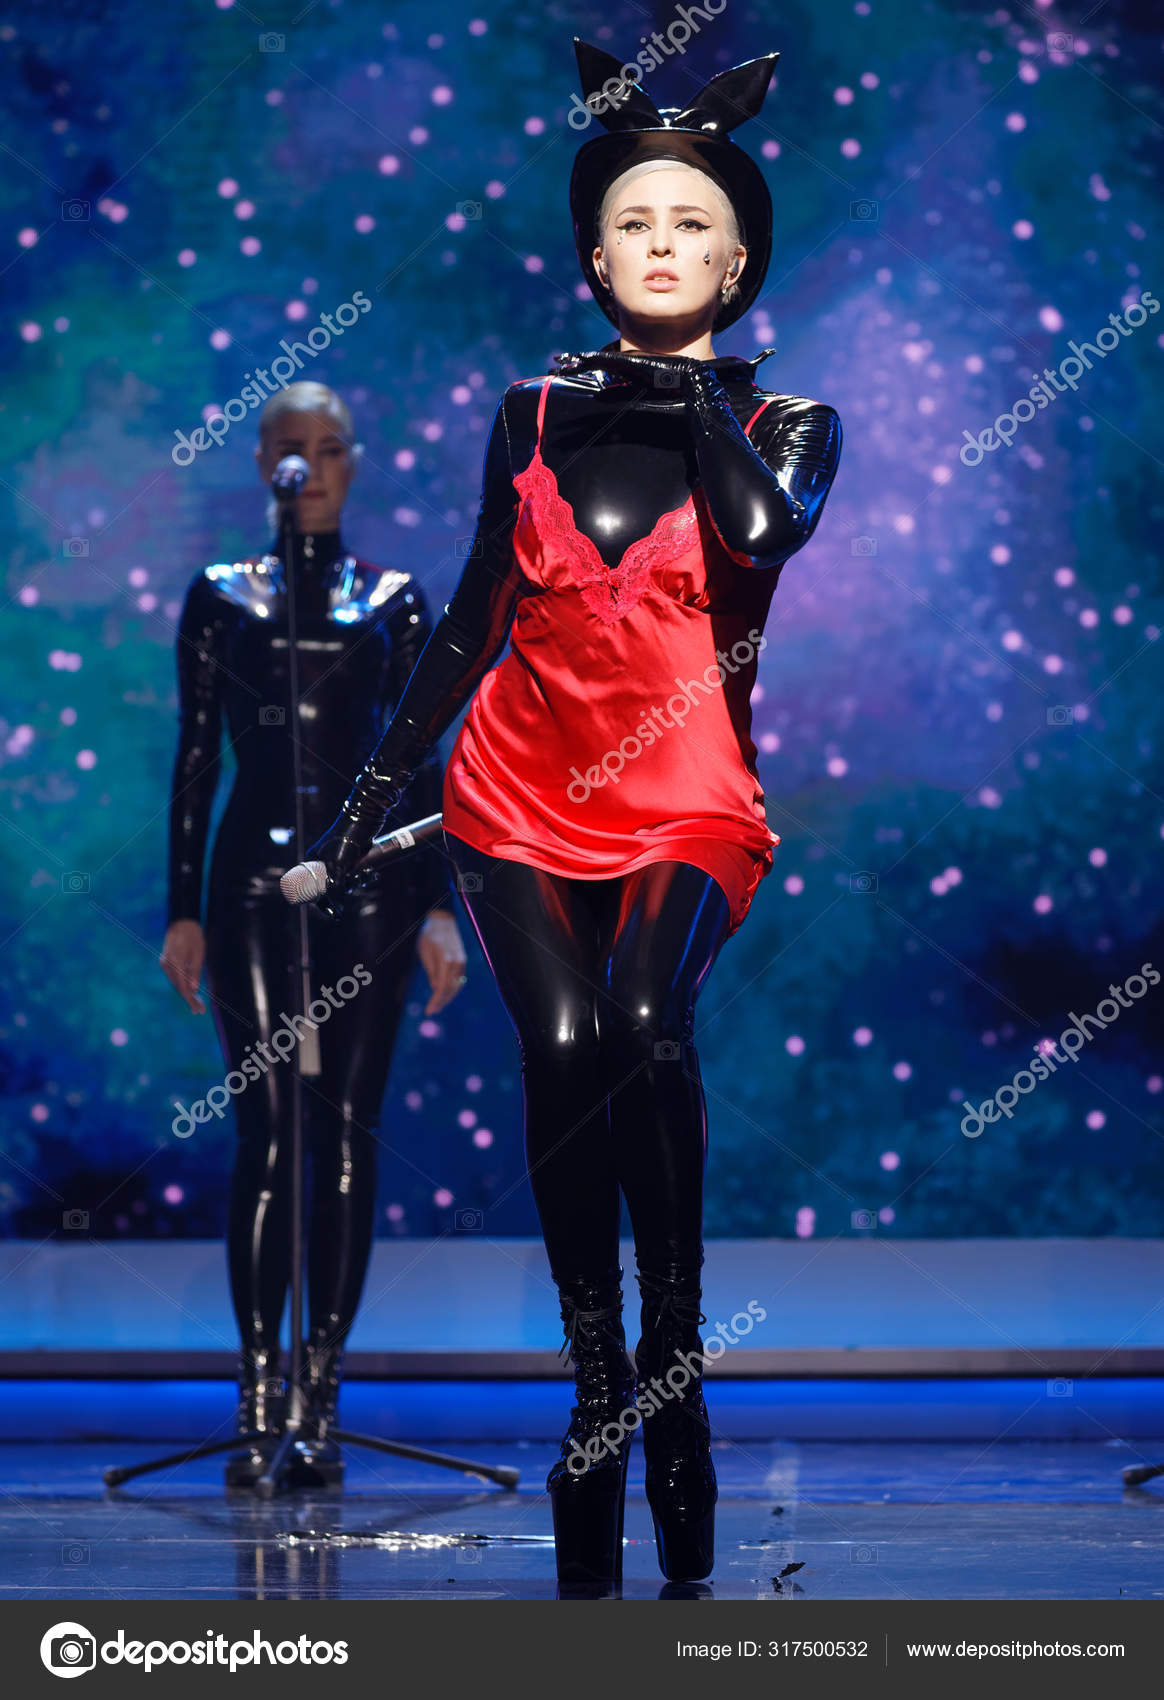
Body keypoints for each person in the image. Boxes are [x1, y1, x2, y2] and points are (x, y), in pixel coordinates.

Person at [282, 38, 842, 1585]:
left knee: (647, 1020)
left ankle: (675, 1373)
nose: (662, 244)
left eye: (692, 225)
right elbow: (475, 614)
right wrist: (367, 803)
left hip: (686, 795)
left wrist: (687, 387)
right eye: (635, 224)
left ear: (736, 263)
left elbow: (758, 536)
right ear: (595, 257)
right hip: (515, 792)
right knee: (569, 1041)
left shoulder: (788, 423)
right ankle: (599, 1386)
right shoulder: (529, 414)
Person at [160, 380, 468, 1489]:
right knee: (268, 1127)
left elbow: (423, 762)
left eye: (330, 448)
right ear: (263, 464)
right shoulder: (220, 596)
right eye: (292, 448)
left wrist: (440, 906)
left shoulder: (393, 599)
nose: (312, 467)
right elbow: (198, 754)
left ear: (353, 462)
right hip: (251, 879)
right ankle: (257, 1392)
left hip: (370, 881)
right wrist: (181, 906)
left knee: (344, 1128)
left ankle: (319, 1395)